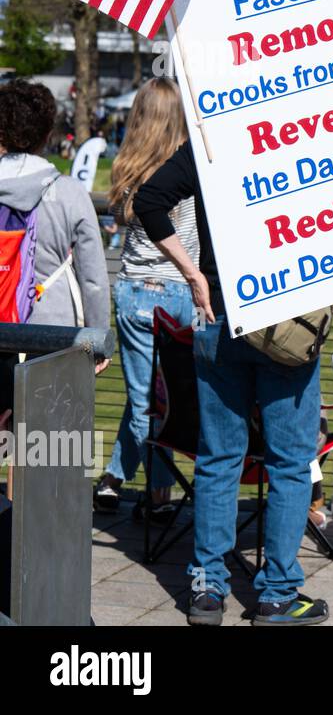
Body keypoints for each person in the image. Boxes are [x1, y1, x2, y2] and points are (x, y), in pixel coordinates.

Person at [134, 141, 328, 626]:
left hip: (217, 314)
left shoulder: (209, 137)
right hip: (287, 320)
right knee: (289, 462)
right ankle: (278, 594)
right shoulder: (305, 131)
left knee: (219, 457)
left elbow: (149, 201)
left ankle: (206, 589)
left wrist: (193, 274)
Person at [93, 79, 197, 518]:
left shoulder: (127, 166)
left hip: (137, 288)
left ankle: (120, 480)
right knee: (159, 399)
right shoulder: (193, 163)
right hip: (183, 287)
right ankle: (152, 494)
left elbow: (120, 217)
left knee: (146, 401)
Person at [0, 80, 110, 421]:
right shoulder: (70, 193)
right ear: (48, 133)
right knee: (44, 450)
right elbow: (93, 276)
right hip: (54, 332)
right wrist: (98, 335)